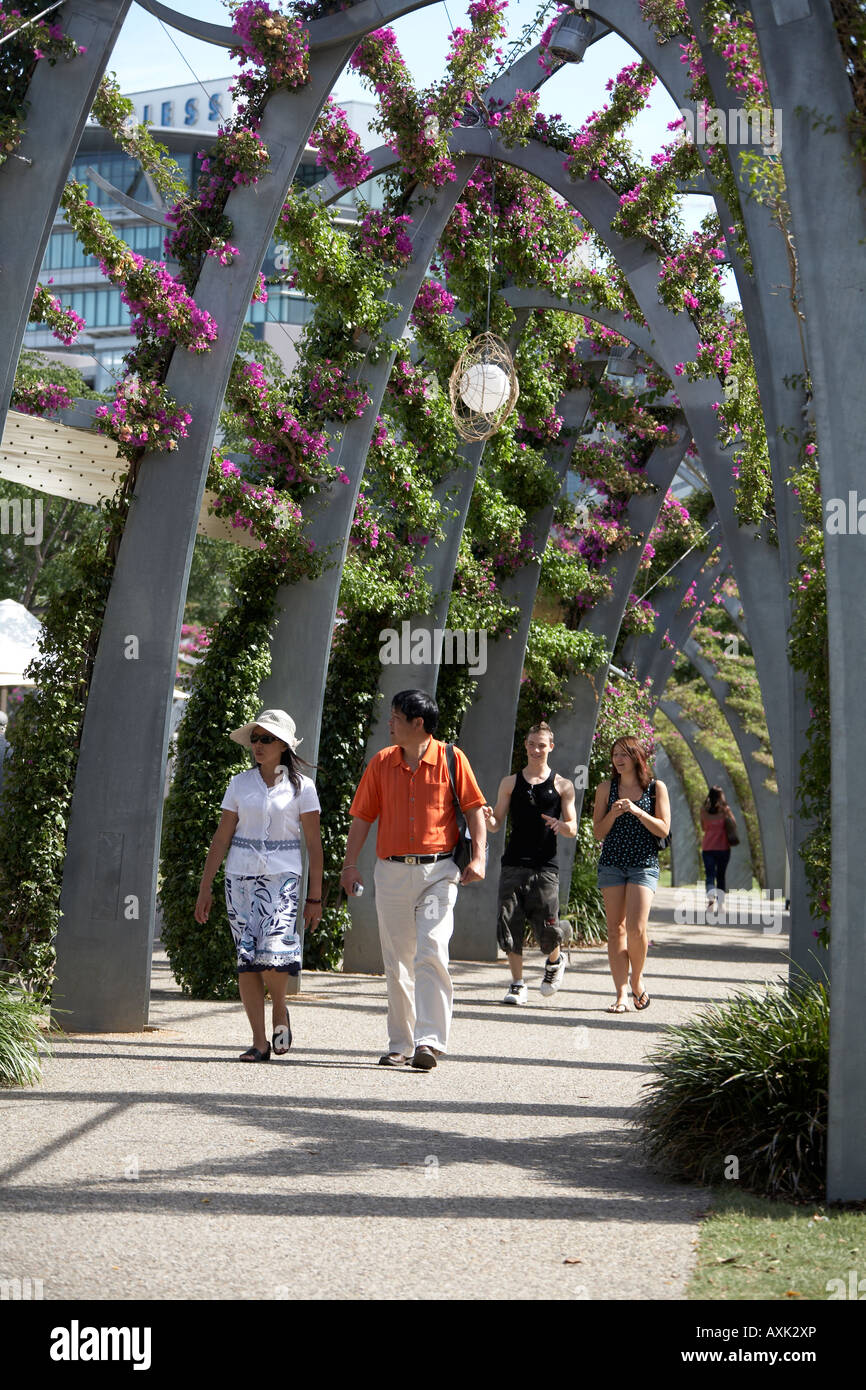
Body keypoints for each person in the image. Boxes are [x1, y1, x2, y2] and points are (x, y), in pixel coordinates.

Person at [340, 689, 486, 1071]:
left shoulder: (453, 760)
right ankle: (401, 1043)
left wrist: (480, 857)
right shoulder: (381, 763)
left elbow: (474, 812)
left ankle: (430, 1042)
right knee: (397, 960)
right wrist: (349, 864)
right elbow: (361, 818)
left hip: (438, 873)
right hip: (390, 872)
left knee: (432, 948)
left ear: (418, 723)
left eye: (395, 717)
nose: (389, 723)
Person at [195, 709, 323, 1062]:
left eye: (266, 739)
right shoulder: (239, 784)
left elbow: (314, 846)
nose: (258, 745)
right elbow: (221, 839)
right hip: (239, 880)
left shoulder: (303, 788)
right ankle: (258, 1041)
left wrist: (316, 897)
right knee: (247, 959)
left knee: (274, 955)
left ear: (283, 745)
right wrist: (205, 887)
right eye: (255, 738)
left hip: (283, 879)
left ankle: (280, 1008)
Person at [483, 722, 577, 1005]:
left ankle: (555, 960)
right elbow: (497, 823)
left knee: (547, 926)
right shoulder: (510, 783)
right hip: (513, 862)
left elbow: (573, 826)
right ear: (525, 746)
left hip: (545, 866)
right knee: (509, 921)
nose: (536, 749)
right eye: (531, 744)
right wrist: (488, 818)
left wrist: (562, 825)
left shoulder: (563, 785)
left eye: (541, 745)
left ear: (550, 747)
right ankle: (517, 983)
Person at [592, 736, 670, 1014]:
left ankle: (637, 980)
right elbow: (598, 832)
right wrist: (613, 814)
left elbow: (663, 829)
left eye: (625, 754)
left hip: (643, 864)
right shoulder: (605, 789)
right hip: (612, 863)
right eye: (615, 754)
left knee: (637, 929)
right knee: (616, 930)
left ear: (637, 756)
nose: (619, 759)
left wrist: (637, 811)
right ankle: (621, 994)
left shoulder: (655, 788)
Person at [701, 785, 734, 915]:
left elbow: (703, 828)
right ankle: (721, 905)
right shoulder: (725, 810)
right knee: (721, 876)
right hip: (723, 848)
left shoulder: (703, 811)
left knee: (710, 875)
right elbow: (733, 825)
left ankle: (710, 903)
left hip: (708, 847)